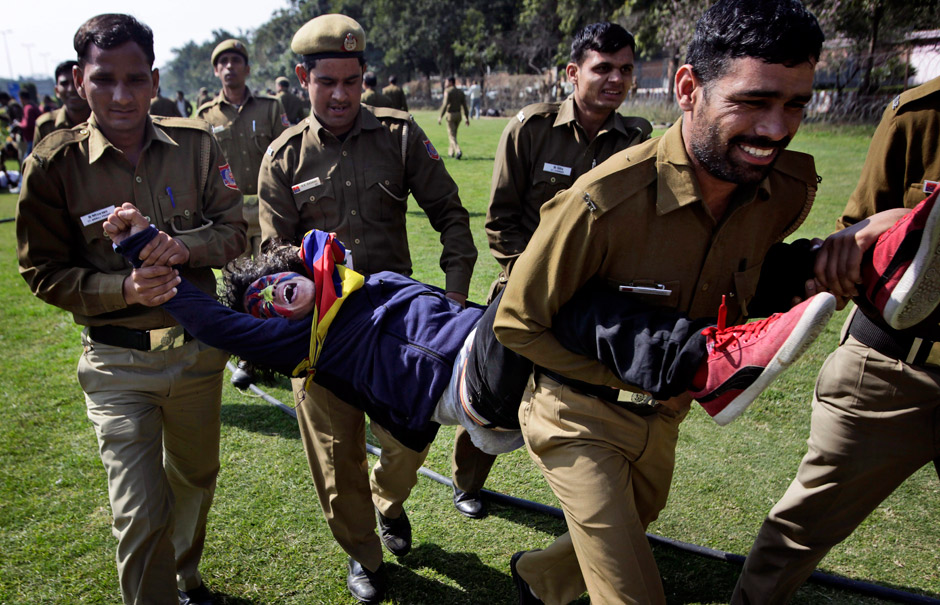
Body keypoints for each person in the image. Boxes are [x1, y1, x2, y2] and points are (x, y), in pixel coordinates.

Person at [492, 1, 826, 603]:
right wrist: (627, 372)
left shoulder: (783, 193)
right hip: (575, 412)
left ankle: (538, 580)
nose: (777, 129)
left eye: (795, 104)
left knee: (633, 523)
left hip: (663, 417)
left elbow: (738, 279)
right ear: (689, 88)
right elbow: (516, 324)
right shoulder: (602, 201)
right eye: (753, 101)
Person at [15, 13, 246, 605]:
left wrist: (184, 246)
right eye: (104, 79)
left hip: (196, 359)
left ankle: (186, 579)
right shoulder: (52, 165)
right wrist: (122, 291)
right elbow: (41, 271)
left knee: (195, 482)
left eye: (135, 79)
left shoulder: (195, 146)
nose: (121, 95)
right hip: (117, 367)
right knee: (139, 513)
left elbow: (234, 232)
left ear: (154, 80)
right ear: (78, 80)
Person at [257, 14, 477, 604]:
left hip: (398, 332)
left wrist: (454, 294)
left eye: (351, 82)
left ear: (364, 79)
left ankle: (391, 500)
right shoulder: (282, 160)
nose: (340, 95)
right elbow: (272, 258)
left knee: (408, 443)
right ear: (302, 79)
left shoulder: (400, 136)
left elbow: (453, 217)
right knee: (335, 463)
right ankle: (365, 556)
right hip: (321, 339)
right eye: (326, 82)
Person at [731, 74, 940, 604]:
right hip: (893, 371)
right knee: (797, 533)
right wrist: (895, 224)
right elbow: (849, 246)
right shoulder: (920, 115)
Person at [450, 22, 655, 521]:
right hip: (525, 294)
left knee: (593, 403)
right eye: (602, 68)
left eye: (625, 69)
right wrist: (534, 282)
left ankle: (591, 503)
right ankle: (465, 483)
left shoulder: (638, 139)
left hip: (595, 302)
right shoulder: (530, 128)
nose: (615, 79)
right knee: (493, 392)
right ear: (573, 72)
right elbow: (500, 220)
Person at [198, 38, 288, 260]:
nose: (230, 66)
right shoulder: (206, 116)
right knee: (235, 282)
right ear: (216, 71)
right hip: (229, 215)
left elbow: (286, 156)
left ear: (247, 69)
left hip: (268, 208)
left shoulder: (270, 107)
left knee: (271, 278)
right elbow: (201, 169)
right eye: (224, 62)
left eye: (236, 61)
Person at [33, 60, 91, 145]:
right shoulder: (46, 126)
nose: (71, 89)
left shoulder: (105, 121)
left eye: (77, 82)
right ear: (57, 91)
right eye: (64, 84)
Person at [438, 76, 469, 159]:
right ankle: (451, 153)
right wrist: (467, 117)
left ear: (451, 82)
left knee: (451, 136)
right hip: (459, 115)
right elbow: (465, 106)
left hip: (450, 115)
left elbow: (445, 105)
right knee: (454, 134)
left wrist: (440, 116)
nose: (445, 84)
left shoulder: (448, 91)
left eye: (447, 82)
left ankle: (458, 151)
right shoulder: (460, 92)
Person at [15, 89, 41, 159]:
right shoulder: (34, 106)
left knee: (27, 161)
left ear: (22, 98)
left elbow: (27, 125)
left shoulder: (28, 108)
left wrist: (18, 124)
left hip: (31, 138)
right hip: (37, 137)